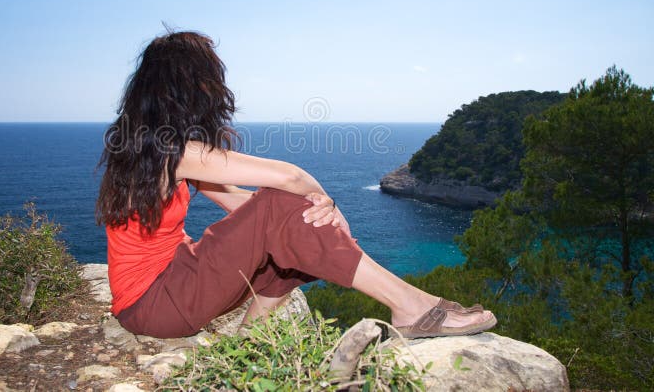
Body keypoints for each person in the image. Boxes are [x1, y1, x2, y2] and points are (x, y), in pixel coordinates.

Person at [96, 30, 496, 340]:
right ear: (184, 87)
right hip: (154, 304)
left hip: (171, 285)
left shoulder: (150, 148)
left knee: (287, 233)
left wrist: (303, 219)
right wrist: (329, 207)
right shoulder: (175, 151)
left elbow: (239, 205)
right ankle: (410, 305)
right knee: (281, 205)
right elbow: (288, 177)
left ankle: (251, 343)